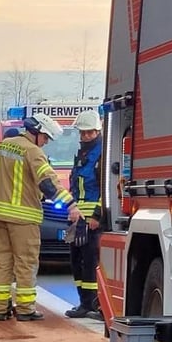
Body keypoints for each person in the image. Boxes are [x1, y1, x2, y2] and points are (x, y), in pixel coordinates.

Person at [0, 113, 73, 321]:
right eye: (45, 138)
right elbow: (48, 184)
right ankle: (25, 309)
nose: (45, 143)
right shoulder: (33, 152)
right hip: (23, 217)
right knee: (25, 263)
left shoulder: (4, 146)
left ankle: (1, 308)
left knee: (2, 262)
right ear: (37, 132)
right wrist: (71, 205)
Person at [64, 110, 104, 319]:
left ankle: (95, 305)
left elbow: (106, 187)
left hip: (93, 221)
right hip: (76, 219)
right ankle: (83, 303)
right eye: (83, 133)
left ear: (97, 131)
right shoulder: (83, 154)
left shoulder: (102, 154)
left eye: (89, 133)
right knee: (76, 261)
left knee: (91, 263)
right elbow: (75, 186)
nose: (86, 136)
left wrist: (97, 215)